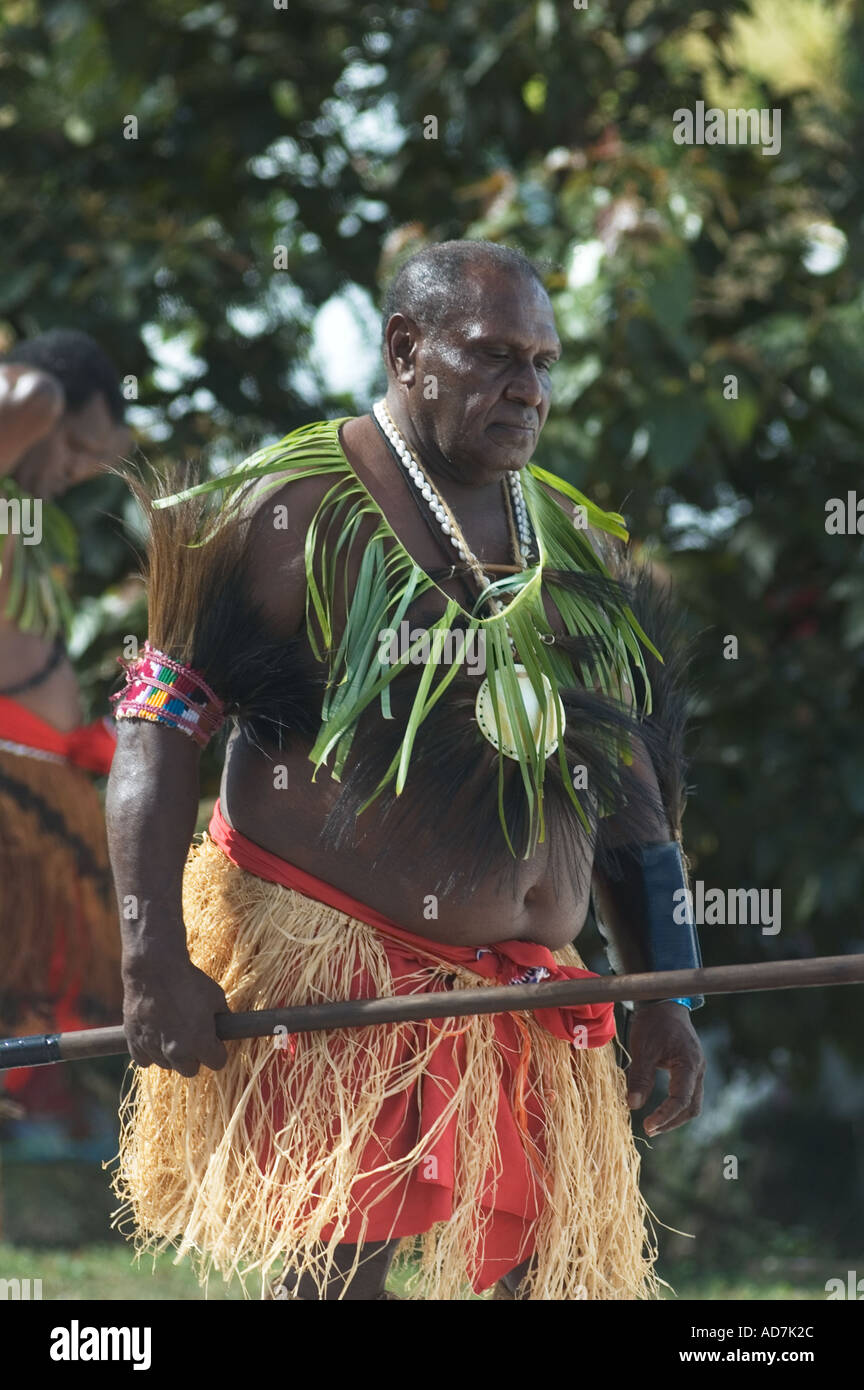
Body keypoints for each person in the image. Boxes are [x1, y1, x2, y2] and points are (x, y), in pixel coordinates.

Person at [107, 241, 706, 1301]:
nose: (528, 388)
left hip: (524, 989)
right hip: (337, 966)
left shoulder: (568, 538)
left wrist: (668, 985)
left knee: (540, 1277)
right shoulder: (289, 516)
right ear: (405, 348)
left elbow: (623, 780)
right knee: (340, 1282)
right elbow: (157, 727)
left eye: (543, 362)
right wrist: (154, 957)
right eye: (494, 357)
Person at [0, 330, 129, 1094]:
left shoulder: (28, 512)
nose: (77, 470)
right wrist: (41, 390)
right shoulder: (29, 407)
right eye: (74, 445)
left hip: (45, 784)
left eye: (93, 461)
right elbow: (32, 395)